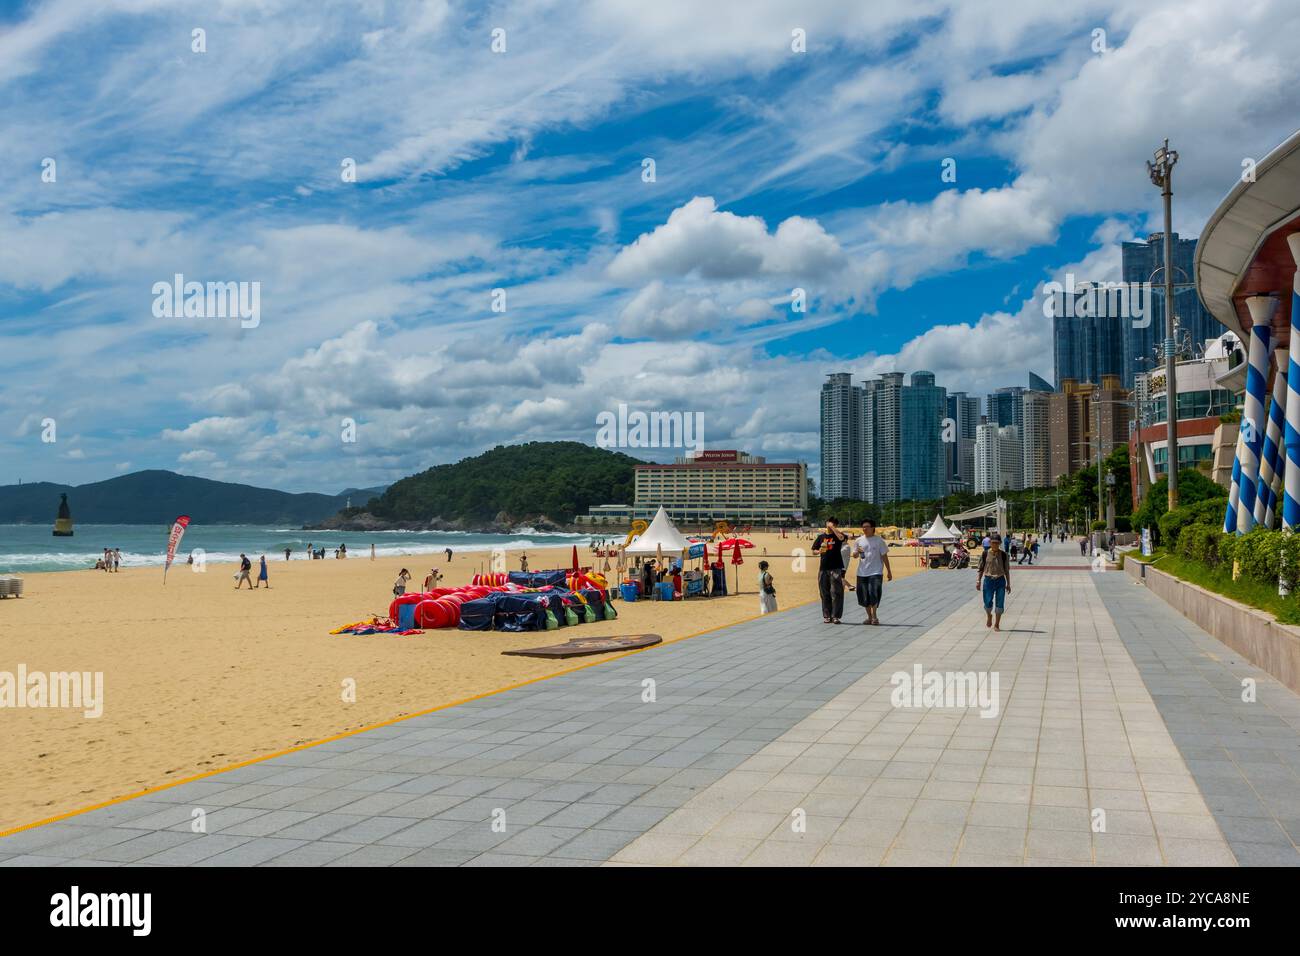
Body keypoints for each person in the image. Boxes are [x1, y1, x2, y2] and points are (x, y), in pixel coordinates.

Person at [853, 519, 892, 626]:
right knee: (864, 595)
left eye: (867, 526)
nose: (865, 529)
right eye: (863, 527)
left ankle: (874, 616)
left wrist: (889, 571)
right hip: (862, 572)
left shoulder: (879, 541)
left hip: (876, 572)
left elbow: (884, 556)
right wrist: (857, 552)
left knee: (873, 593)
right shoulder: (858, 540)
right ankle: (869, 617)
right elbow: (855, 556)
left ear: (873, 528)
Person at [812, 517, 848, 624]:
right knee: (824, 593)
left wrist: (833, 528)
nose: (831, 526)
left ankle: (836, 616)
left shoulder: (837, 536)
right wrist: (818, 551)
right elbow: (813, 550)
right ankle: (827, 616)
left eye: (834, 524)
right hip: (823, 568)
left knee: (836, 592)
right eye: (830, 524)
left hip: (836, 567)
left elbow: (842, 538)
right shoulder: (821, 537)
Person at [976, 534, 1011, 631]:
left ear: (1000, 543)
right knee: (987, 602)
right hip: (988, 580)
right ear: (990, 543)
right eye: (993, 543)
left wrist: (1008, 584)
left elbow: (1007, 570)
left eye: (997, 543)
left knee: (1000, 602)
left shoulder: (1004, 555)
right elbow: (980, 569)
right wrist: (978, 581)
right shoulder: (985, 554)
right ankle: (989, 615)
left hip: (1000, 580)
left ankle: (997, 624)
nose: (995, 545)